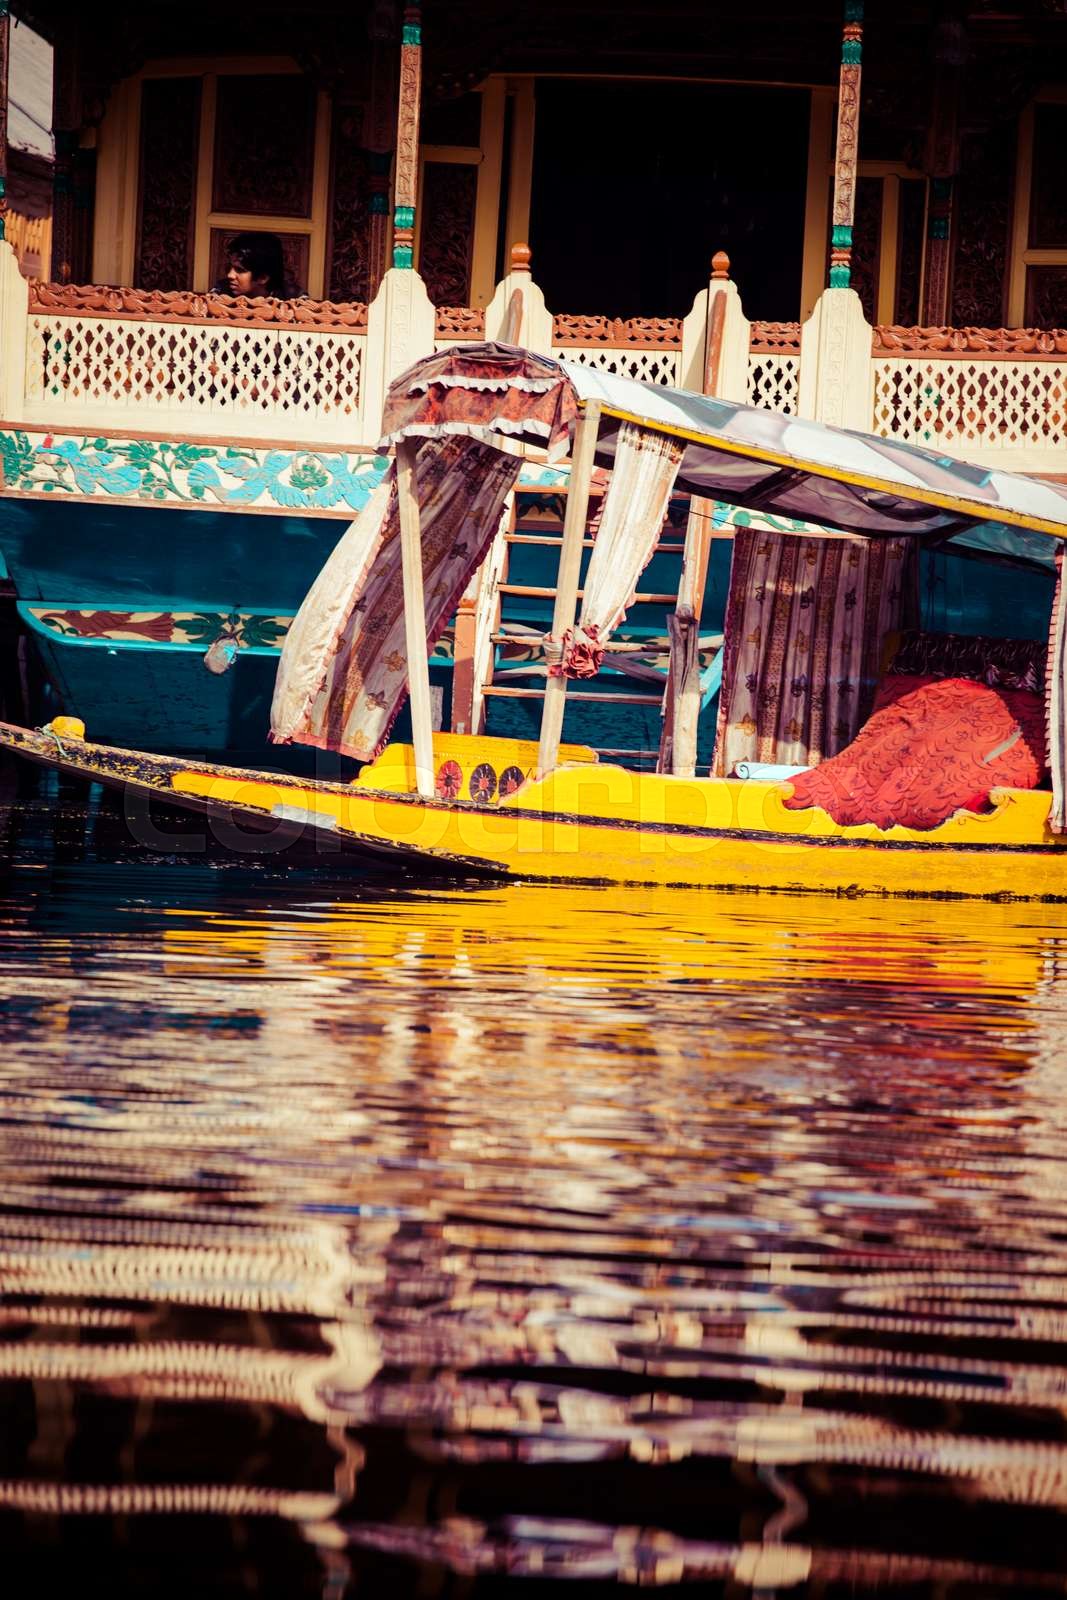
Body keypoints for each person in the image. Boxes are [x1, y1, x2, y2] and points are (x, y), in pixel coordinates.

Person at [214, 232, 291, 299]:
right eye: (229, 266)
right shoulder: (221, 291)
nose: (230, 275)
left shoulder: (294, 299)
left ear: (263, 277)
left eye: (240, 270)